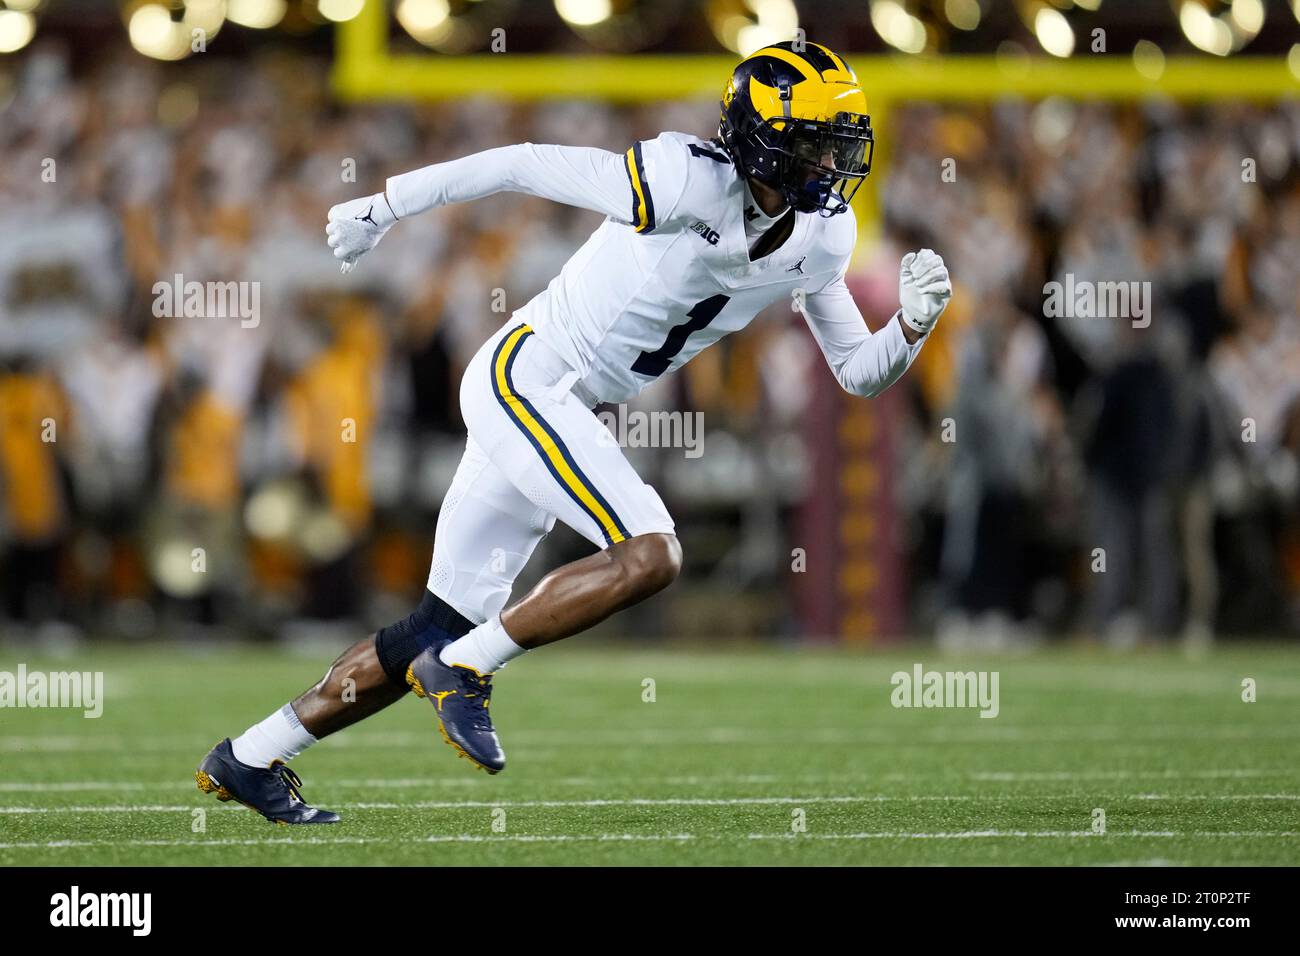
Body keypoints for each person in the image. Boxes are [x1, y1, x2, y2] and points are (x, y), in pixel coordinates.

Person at [195, 41, 951, 824]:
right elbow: (521, 163)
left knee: (434, 625)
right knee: (651, 551)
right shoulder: (681, 177)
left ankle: (252, 754)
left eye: (839, 141)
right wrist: (384, 207)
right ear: (760, 134)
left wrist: (912, 326)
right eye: (817, 139)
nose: (833, 160)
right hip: (526, 378)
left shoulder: (820, 237)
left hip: (560, 402)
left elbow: (859, 372)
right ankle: (467, 667)